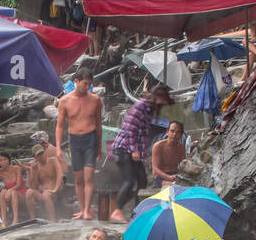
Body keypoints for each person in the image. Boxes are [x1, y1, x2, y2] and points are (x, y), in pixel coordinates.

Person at [108, 83, 174, 224]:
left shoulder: (149, 110)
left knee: (142, 181)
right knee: (129, 180)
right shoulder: (140, 107)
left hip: (133, 150)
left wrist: (142, 155)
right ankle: (117, 211)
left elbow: (143, 135)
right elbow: (130, 129)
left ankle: (138, 212)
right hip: (125, 148)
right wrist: (134, 150)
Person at [56, 67, 104, 220]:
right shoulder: (64, 101)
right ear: (76, 81)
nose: (87, 87)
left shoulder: (95, 100)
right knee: (78, 178)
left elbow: (98, 124)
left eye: (90, 84)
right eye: (84, 83)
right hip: (74, 140)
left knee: (89, 176)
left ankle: (87, 210)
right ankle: (82, 208)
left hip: (90, 139)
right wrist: (57, 147)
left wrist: (99, 146)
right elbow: (60, 125)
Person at [0, 154, 27, 226]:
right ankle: (3, 221)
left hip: (21, 195)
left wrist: (10, 190)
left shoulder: (16, 168)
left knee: (12, 192)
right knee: (3, 192)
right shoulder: (0, 171)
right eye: (1, 160)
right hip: (10, 196)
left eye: (5, 159)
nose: (3, 162)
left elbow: (18, 185)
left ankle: (15, 219)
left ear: (9, 160)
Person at [27, 135, 64, 220]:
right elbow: (33, 186)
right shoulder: (35, 166)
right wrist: (33, 171)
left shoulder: (53, 160)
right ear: (35, 157)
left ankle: (52, 219)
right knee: (29, 192)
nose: (41, 156)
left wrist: (55, 189)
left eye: (42, 153)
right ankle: (32, 218)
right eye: (38, 155)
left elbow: (60, 175)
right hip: (42, 192)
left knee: (46, 195)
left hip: (54, 191)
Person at [151, 120, 187, 187]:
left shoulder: (181, 147)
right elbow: (155, 168)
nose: (174, 134)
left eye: (178, 132)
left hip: (175, 176)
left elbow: (183, 166)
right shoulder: (158, 146)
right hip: (161, 177)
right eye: (172, 131)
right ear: (167, 132)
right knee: (173, 186)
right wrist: (168, 177)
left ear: (181, 135)